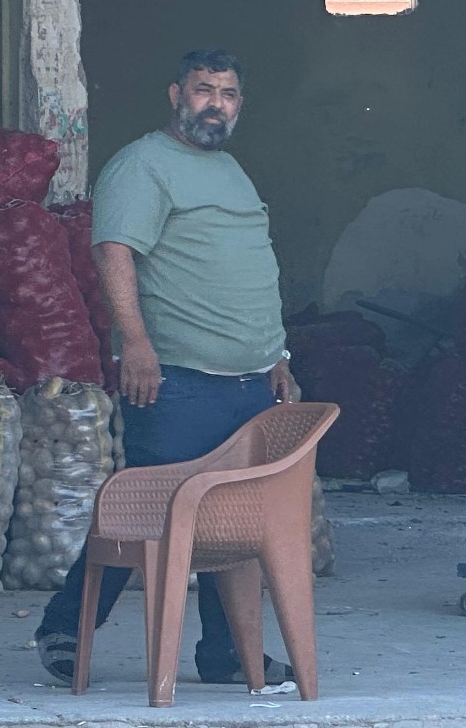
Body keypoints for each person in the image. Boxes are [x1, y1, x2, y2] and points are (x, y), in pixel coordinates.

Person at [34, 48, 300, 688]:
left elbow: (252, 271)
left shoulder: (233, 172)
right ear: (175, 93)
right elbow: (115, 252)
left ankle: (225, 654)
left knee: (230, 524)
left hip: (250, 381)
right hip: (176, 377)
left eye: (229, 94)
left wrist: (279, 357)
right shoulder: (143, 165)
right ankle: (66, 628)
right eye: (205, 90)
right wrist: (136, 343)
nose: (217, 103)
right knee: (150, 510)